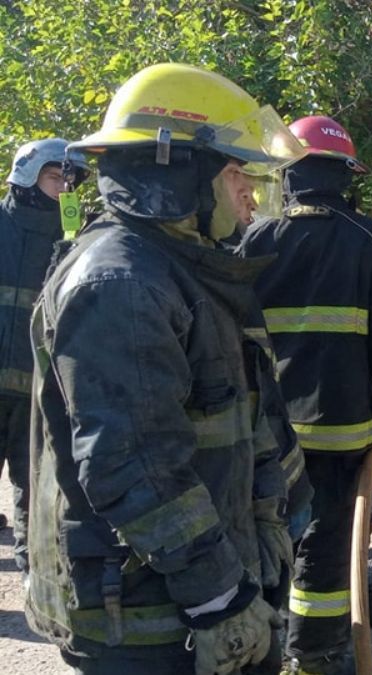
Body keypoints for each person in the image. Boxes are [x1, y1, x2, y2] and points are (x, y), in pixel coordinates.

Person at [24, 63, 308, 674]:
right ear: (176, 174)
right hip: (151, 622)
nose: (251, 195)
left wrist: (270, 531)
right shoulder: (122, 282)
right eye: (237, 173)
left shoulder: (186, 266)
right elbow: (135, 465)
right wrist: (219, 599)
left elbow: (242, 419)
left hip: (202, 587)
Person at [239, 115, 372, 675]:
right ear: (346, 175)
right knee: (328, 539)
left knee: (265, 531)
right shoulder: (371, 240)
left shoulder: (255, 239)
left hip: (264, 432)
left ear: (289, 174)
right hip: (343, 427)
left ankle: (265, 645)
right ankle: (317, 653)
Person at [0, 137, 87, 576]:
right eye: (57, 177)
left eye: (70, 181)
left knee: (33, 486)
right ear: (28, 177)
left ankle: (32, 571)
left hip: (37, 388)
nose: (64, 189)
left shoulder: (72, 233)